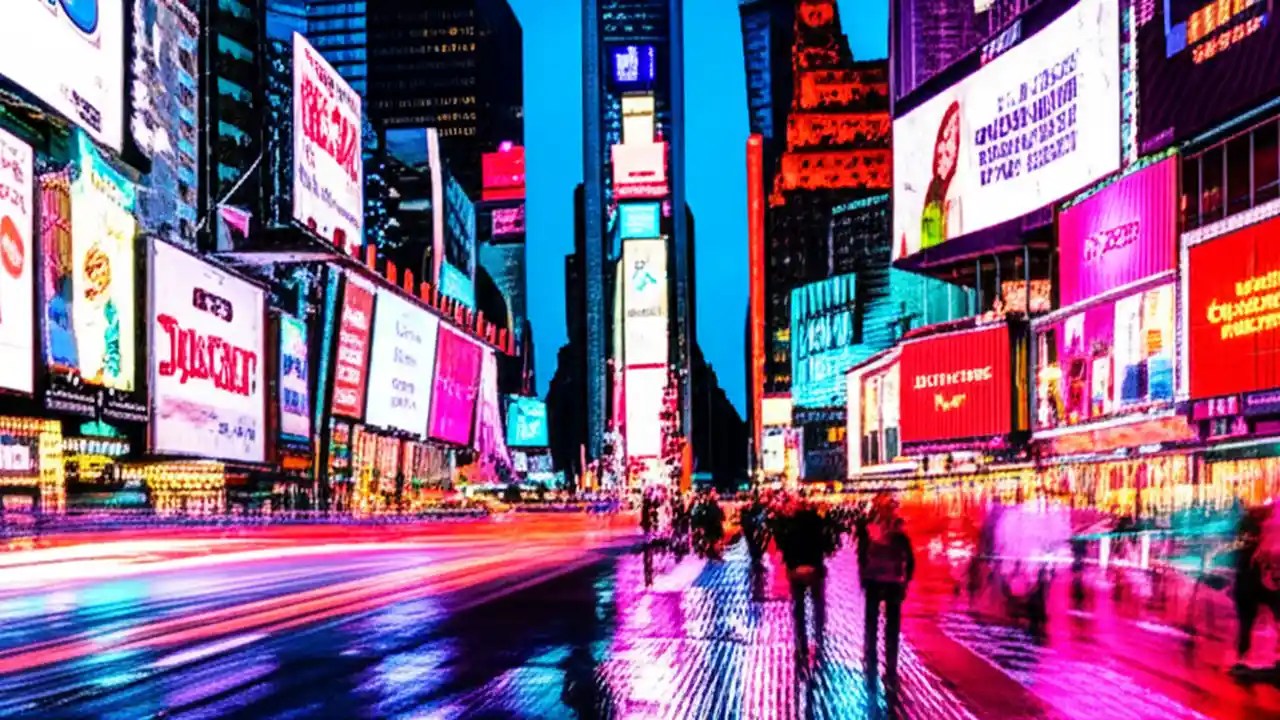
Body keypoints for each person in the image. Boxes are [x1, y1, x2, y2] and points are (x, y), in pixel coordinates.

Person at [858, 498, 915, 688]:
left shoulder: (870, 531)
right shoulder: (900, 536)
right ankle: (891, 665)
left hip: (874, 581)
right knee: (892, 627)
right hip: (893, 583)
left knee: (871, 621)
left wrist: (863, 579)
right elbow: (911, 560)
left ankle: (870, 656)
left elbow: (862, 556)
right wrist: (906, 580)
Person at [776, 497, 829, 665]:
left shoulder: (789, 525)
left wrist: (791, 564)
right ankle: (819, 637)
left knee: (799, 608)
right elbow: (825, 544)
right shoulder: (817, 523)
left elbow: (783, 545)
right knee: (818, 604)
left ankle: (801, 644)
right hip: (814, 569)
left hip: (796, 570)